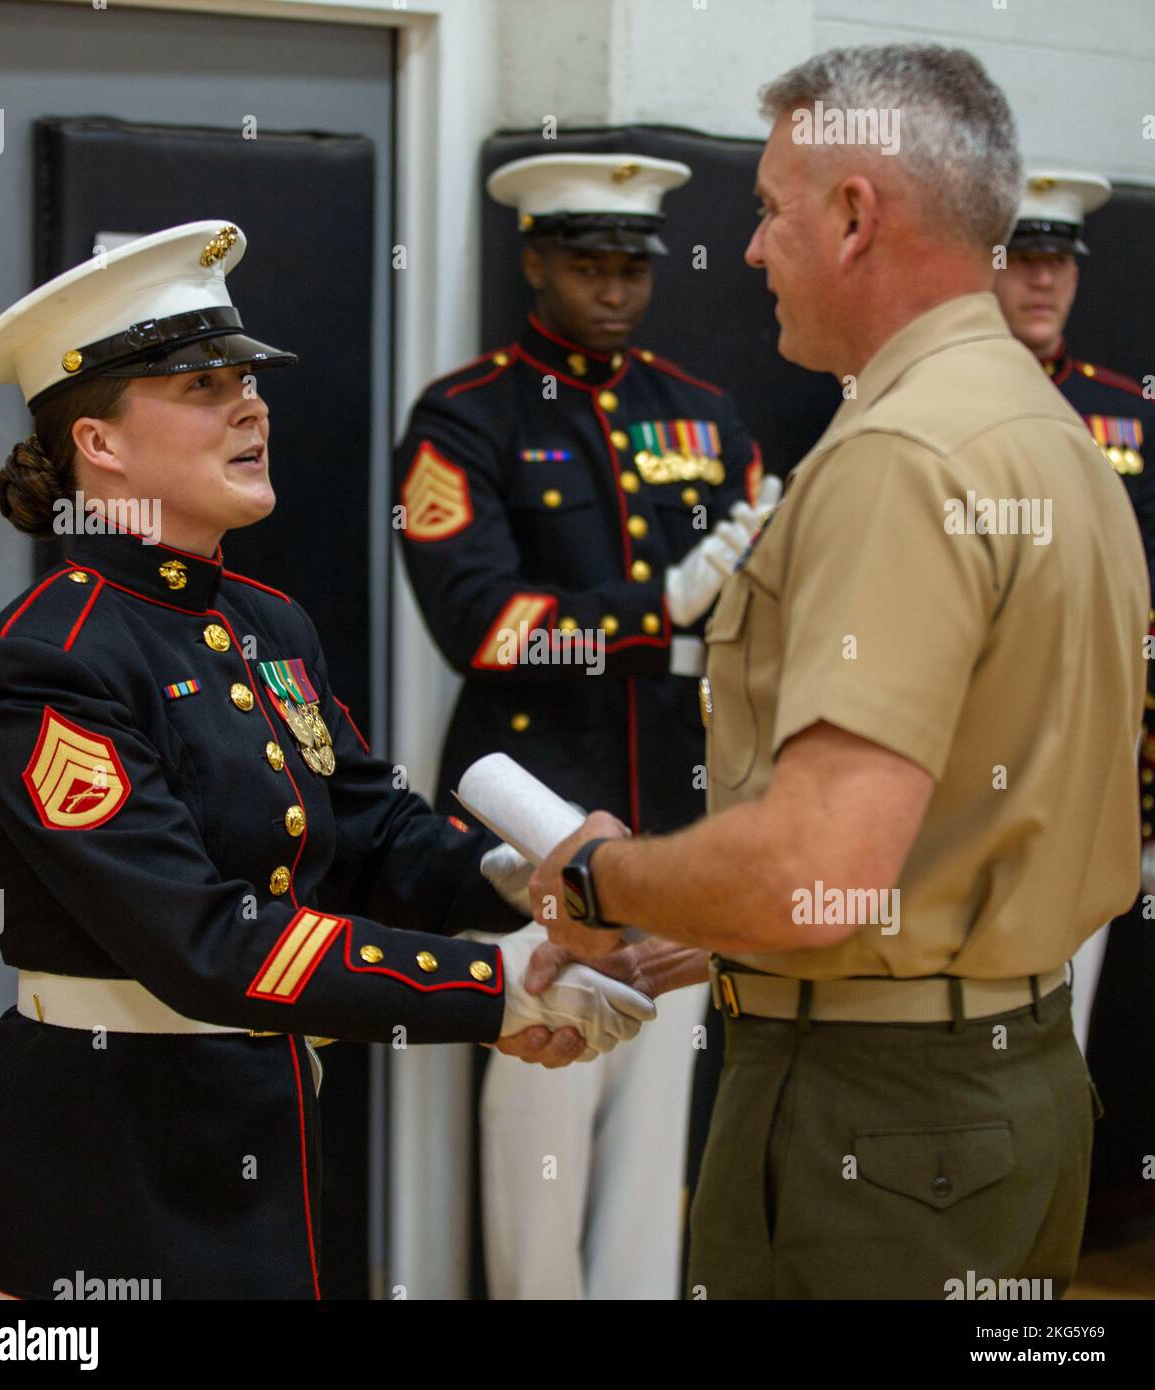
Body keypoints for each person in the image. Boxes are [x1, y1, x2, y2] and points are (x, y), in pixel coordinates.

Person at [522, 44, 1148, 1299]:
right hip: (1016, 1086)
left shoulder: (898, 459)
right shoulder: (1051, 435)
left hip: (876, 1122)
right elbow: (949, 828)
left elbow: (816, 871)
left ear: (855, 217)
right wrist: (695, 931)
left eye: (766, 209)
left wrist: (597, 874)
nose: (748, 249)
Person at [0, 221, 652, 1301]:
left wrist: (517, 884)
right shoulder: (47, 661)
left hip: (261, 1123)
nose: (250, 405)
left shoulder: (267, 620)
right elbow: (203, 942)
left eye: (248, 378)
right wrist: (496, 989)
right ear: (101, 446)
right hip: (101, 1166)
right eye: (200, 385)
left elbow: (373, 832)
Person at [393, 153, 771, 1298]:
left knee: (659, 1133)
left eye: (628, 267)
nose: (611, 289)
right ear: (533, 261)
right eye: (584, 264)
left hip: (672, 817)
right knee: (540, 1120)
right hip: (535, 833)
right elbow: (483, 626)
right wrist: (658, 608)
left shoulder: (701, 415)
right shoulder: (464, 416)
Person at [995, 172, 1155, 1248]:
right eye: (1022, 252)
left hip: (1101, 779)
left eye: (1060, 257)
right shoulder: (909, 402)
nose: (1044, 275)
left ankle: (1034, 1270)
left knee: (1066, 1044)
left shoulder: (1124, 410)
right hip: (973, 794)